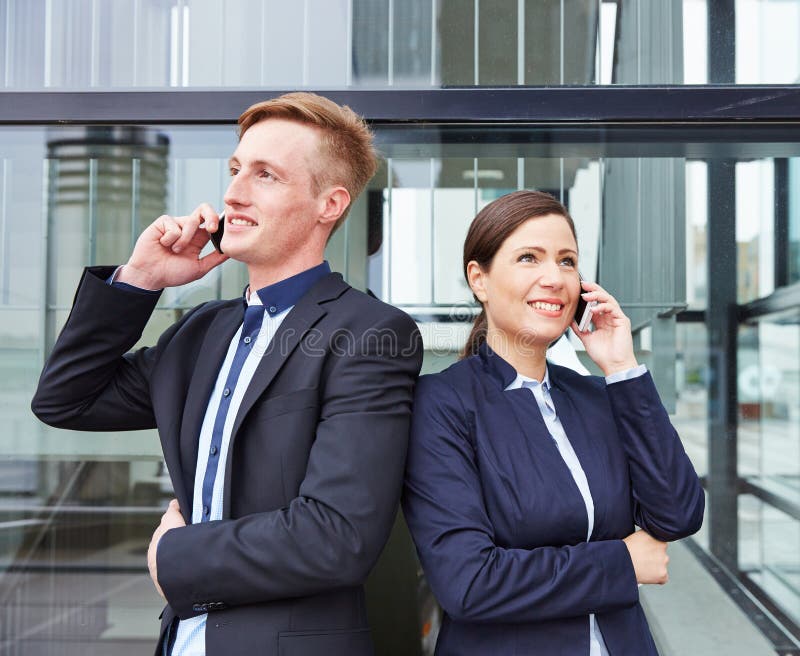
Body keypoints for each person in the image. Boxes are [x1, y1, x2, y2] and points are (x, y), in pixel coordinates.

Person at [31, 92, 423, 656]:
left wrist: (174, 556)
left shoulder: (368, 334)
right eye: (236, 170)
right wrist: (141, 278)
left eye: (265, 175)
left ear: (329, 204)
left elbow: (336, 538)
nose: (234, 193)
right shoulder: (200, 334)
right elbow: (65, 399)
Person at [402, 190, 704, 656]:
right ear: (478, 278)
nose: (554, 278)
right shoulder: (441, 404)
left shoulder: (597, 397)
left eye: (567, 261)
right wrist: (621, 560)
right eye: (529, 258)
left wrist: (621, 367)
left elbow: (678, 513)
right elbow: (469, 582)